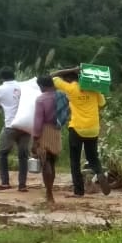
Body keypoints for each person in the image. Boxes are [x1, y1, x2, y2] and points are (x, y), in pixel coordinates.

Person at [50, 67, 110, 197]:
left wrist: (71, 69)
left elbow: (52, 77)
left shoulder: (71, 88)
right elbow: (102, 103)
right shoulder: (94, 89)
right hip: (93, 128)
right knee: (93, 157)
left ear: (70, 79)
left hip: (77, 128)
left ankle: (79, 191)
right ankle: (99, 172)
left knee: (75, 160)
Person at [0, 68, 31, 192]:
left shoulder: (0, 89)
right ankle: (22, 185)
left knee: (2, 153)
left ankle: (5, 182)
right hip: (25, 125)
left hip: (10, 125)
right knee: (23, 156)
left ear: (2, 78)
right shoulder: (22, 87)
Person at [32, 76, 63, 205]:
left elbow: (38, 122)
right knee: (52, 162)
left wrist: (35, 138)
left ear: (42, 86)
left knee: (45, 163)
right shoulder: (61, 96)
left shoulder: (41, 99)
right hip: (56, 130)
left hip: (44, 131)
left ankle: (49, 194)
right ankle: (49, 193)